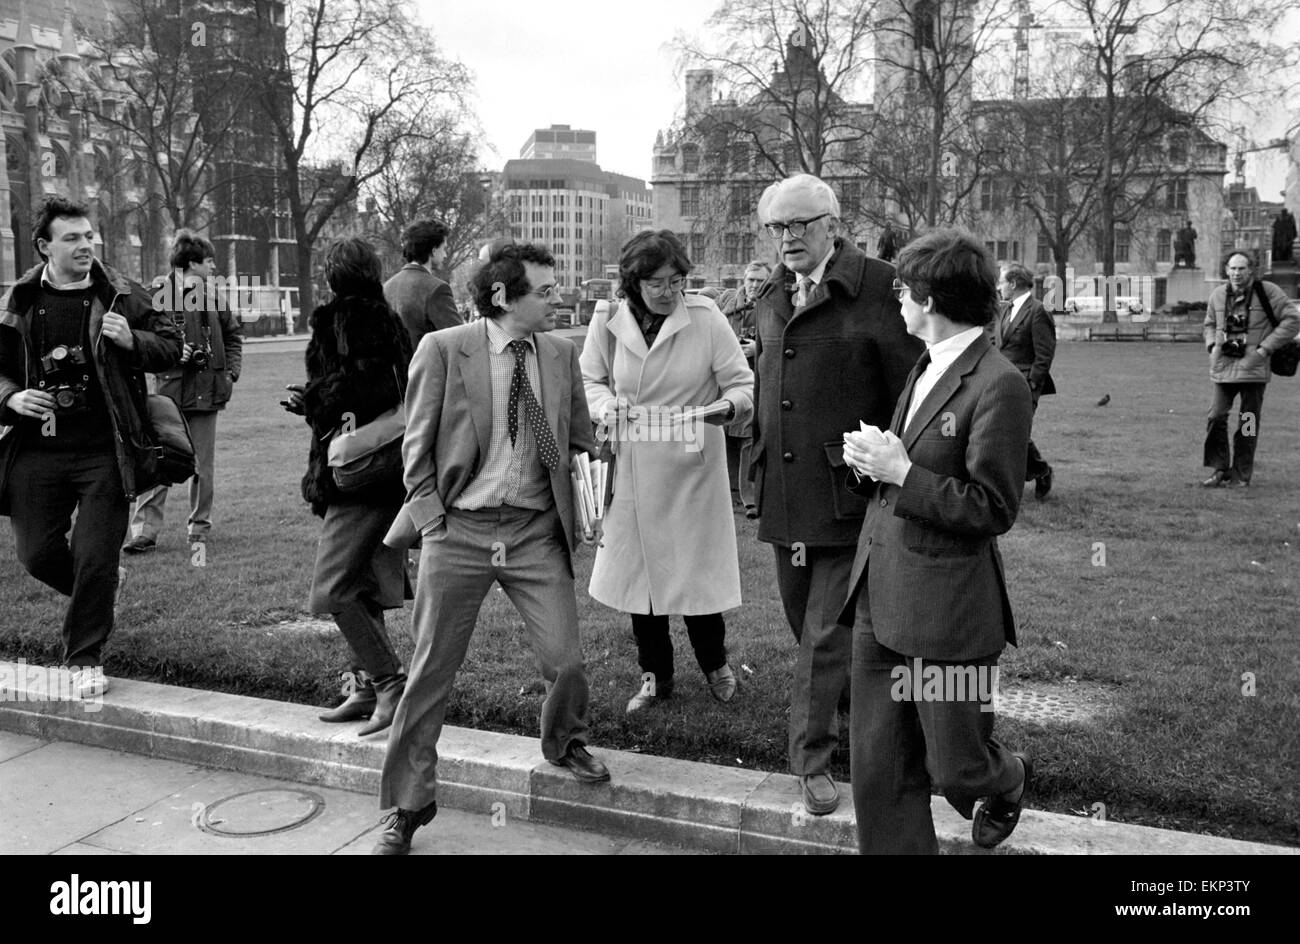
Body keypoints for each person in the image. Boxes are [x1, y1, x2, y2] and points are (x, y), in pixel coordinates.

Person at [374, 242, 609, 855]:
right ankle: (407, 804)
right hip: (461, 531)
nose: (557, 296)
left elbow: (581, 440)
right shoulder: (445, 350)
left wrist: (596, 484)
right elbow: (416, 447)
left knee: (567, 660)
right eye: (544, 290)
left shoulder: (560, 354)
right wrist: (430, 524)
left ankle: (565, 741)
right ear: (503, 296)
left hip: (534, 531)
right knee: (430, 673)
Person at [840, 229, 1034, 855]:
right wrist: (872, 463)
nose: (896, 298)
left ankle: (1006, 779)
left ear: (929, 298)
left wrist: (903, 473)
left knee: (956, 769)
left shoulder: (1000, 383)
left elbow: (994, 507)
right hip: (878, 593)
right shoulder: (924, 363)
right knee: (878, 768)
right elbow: (906, 471)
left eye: (903, 288)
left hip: (946, 610)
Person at [750, 174, 923, 815]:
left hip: (850, 491)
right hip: (783, 496)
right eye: (777, 227)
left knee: (823, 633)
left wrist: (892, 467)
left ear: (832, 221)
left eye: (801, 223)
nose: (789, 237)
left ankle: (812, 760)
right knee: (807, 625)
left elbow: (914, 391)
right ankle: (861, 708)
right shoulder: (771, 292)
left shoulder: (880, 287)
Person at [0, 195, 182, 696]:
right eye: (73, 238)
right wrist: (12, 398)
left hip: (106, 450)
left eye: (89, 236)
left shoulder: (122, 293)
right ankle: (101, 587)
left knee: (94, 556)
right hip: (38, 451)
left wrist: (133, 342)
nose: (86, 245)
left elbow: (174, 348)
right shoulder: (18, 300)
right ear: (44, 246)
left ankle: (84, 659)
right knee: (37, 555)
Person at [581, 230, 754, 714]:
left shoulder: (705, 316)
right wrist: (604, 406)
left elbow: (742, 384)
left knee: (697, 574)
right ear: (631, 281)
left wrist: (723, 408)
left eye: (677, 280)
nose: (669, 292)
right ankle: (655, 675)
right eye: (656, 282)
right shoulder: (606, 318)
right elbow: (589, 378)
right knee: (642, 583)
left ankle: (715, 664)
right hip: (633, 458)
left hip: (690, 460)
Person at [281, 238, 411, 737]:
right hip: (382, 467)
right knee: (363, 588)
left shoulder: (349, 316)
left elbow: (369, 387)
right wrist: (313, 399)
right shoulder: (384, 316)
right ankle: (365, 686)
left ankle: (389, 683)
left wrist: (313, 399)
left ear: (334, 275)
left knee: (332, 590)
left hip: (362, 475)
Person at [124, 230, 243, 553]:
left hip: (208, 390)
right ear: (192, 262)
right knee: (157, 459)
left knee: (202, 467)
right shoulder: (157, 294)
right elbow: (140, 343)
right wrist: (175, 354)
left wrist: (231, 372)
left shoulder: (215, 296)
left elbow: (233, 335)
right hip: (168, 393)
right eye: (209, 261)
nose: (214, 266)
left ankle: (199, 529)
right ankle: (144, 532)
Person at [1200, 251, 1299, 487]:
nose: (1236, 273)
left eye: (1241, 268)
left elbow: (1293, 320)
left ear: (1251, 270)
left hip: (1254, 369)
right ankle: (1220, 468)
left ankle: (1241, 474)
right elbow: (1210, 323)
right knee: (1215, 416)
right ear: (1226, 270)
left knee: (1248, 421)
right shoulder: (1217, 295)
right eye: (1232, 268)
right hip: (1224, 366)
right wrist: (1212, 344)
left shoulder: (1268, 292)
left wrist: (1265, 348)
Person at [996, 262, 1056, 499]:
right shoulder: (1004, 309)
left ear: (1012, 283)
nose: (999, 286)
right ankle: (1033, 472)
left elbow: (1044, 354)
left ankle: (1040, 472)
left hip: (1024, 386)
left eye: (1001, 281)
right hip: (1001, 383)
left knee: (1014, 433)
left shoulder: (1038, 311)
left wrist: (1032, 385)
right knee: (1004, 432)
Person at [724, 260, 769, 518]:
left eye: (760, 281)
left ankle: (749, 497)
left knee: (749, 437)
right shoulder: (729, 307)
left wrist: (757, 349)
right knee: (727, 436)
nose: (754, 285)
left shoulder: (772, 306)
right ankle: (731, 493)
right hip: (727, 380)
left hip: (755, 379)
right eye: (751, 280)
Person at [383, 218, 462, 348]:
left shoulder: (386, 287)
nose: (445, 254)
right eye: (443, 248)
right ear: (433, 250)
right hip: (428, 366)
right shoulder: (437, 289)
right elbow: (459, 337)